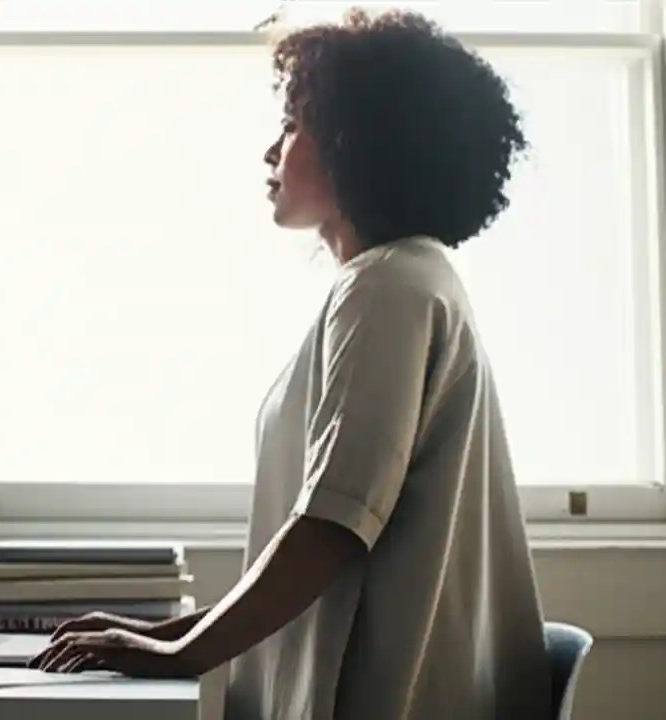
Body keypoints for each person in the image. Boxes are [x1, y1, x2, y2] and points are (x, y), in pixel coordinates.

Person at [30, 8, 551, 719]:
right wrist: (164, 634)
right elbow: (343, 545)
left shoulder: (388, 289)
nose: (270, 152)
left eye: (293, 124)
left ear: (352, 143)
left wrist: (183, 657)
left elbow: (331, 529)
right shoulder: (408, 280)